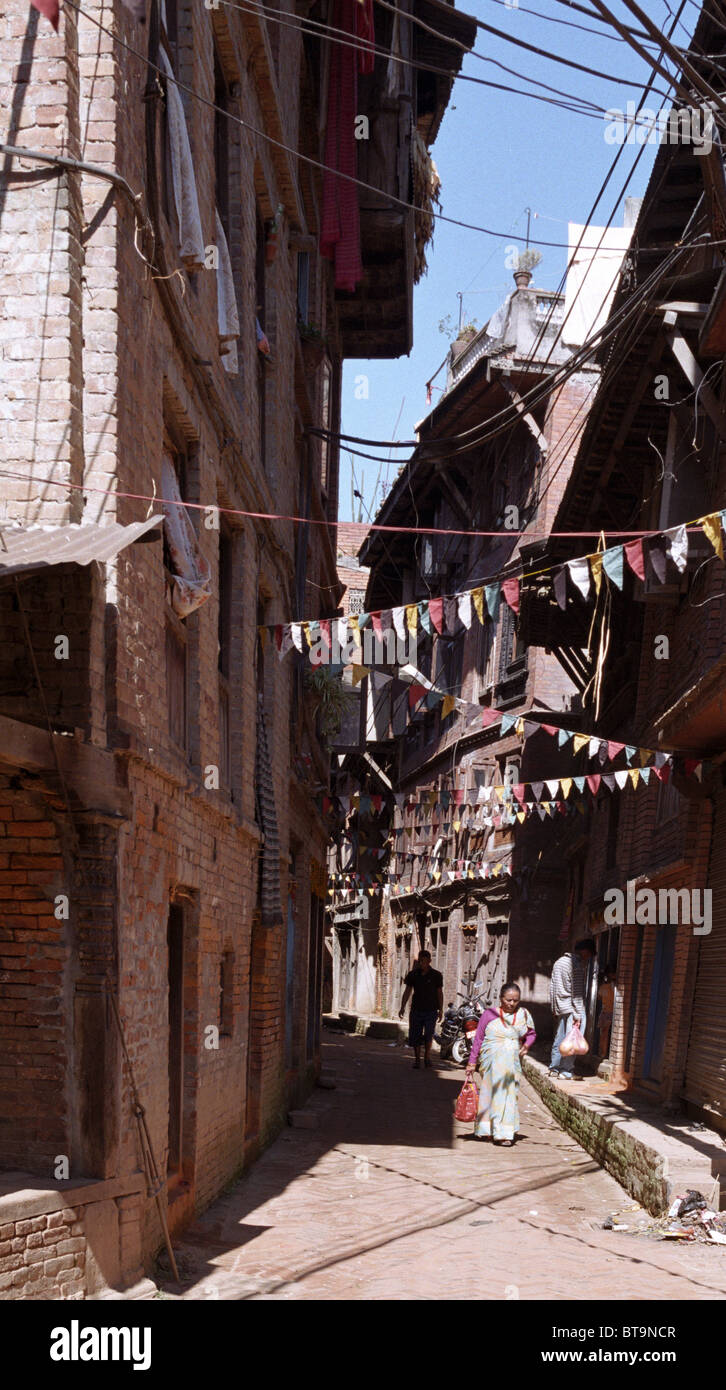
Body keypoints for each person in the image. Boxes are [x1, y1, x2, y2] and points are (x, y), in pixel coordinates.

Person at [465, 982, 535, 1146]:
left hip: (511, 1063)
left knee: (508, 1097)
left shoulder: (523, 1015)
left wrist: (526, 1045)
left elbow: (531, 1034)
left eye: (515, 1000)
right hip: (490, 1061)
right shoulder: (489, 1015)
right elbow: (478, 1040)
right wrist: (471, 1063)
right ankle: (488, 1129)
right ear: (501, 998)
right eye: (508, 1000)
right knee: (490, 1095)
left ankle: (504, 1133)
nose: (512, 1004)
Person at [549, 938, 595, 1080]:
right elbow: (577, 993)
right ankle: (566, 1070)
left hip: (561, 1007)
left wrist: (554, 1008)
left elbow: (552, 987)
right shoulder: (576, 965)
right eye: (590, 954)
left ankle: (554, 1068)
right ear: (585, 951)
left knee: (560, 1038)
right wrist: (578, 1014)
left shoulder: (559, 962)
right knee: (573, 1040)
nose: (589, 958)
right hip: (572, 1008)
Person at [399, 950, 443, 1069]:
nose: (422, 963)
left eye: (424, 961)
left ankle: (427, 1057)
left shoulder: (436, 975)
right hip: (416, 1010)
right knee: (415, 1035)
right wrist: (402, 1007)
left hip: (431, 1010)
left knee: (429, 1034)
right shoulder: (413, 975)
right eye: (420, 961)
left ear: (429, 961)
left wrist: (441, 1009)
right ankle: (417, 1059)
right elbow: (407, 991)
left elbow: (440, 993)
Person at [597, 971, 615, 1057]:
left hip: (610, 1012)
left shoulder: (612, 986)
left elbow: (599, 997)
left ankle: (604, 1053)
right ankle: (603, 1053)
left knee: (605, 1033)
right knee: (604, 1033)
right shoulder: (605, 987)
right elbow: (599, 997)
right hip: (606, 1012)